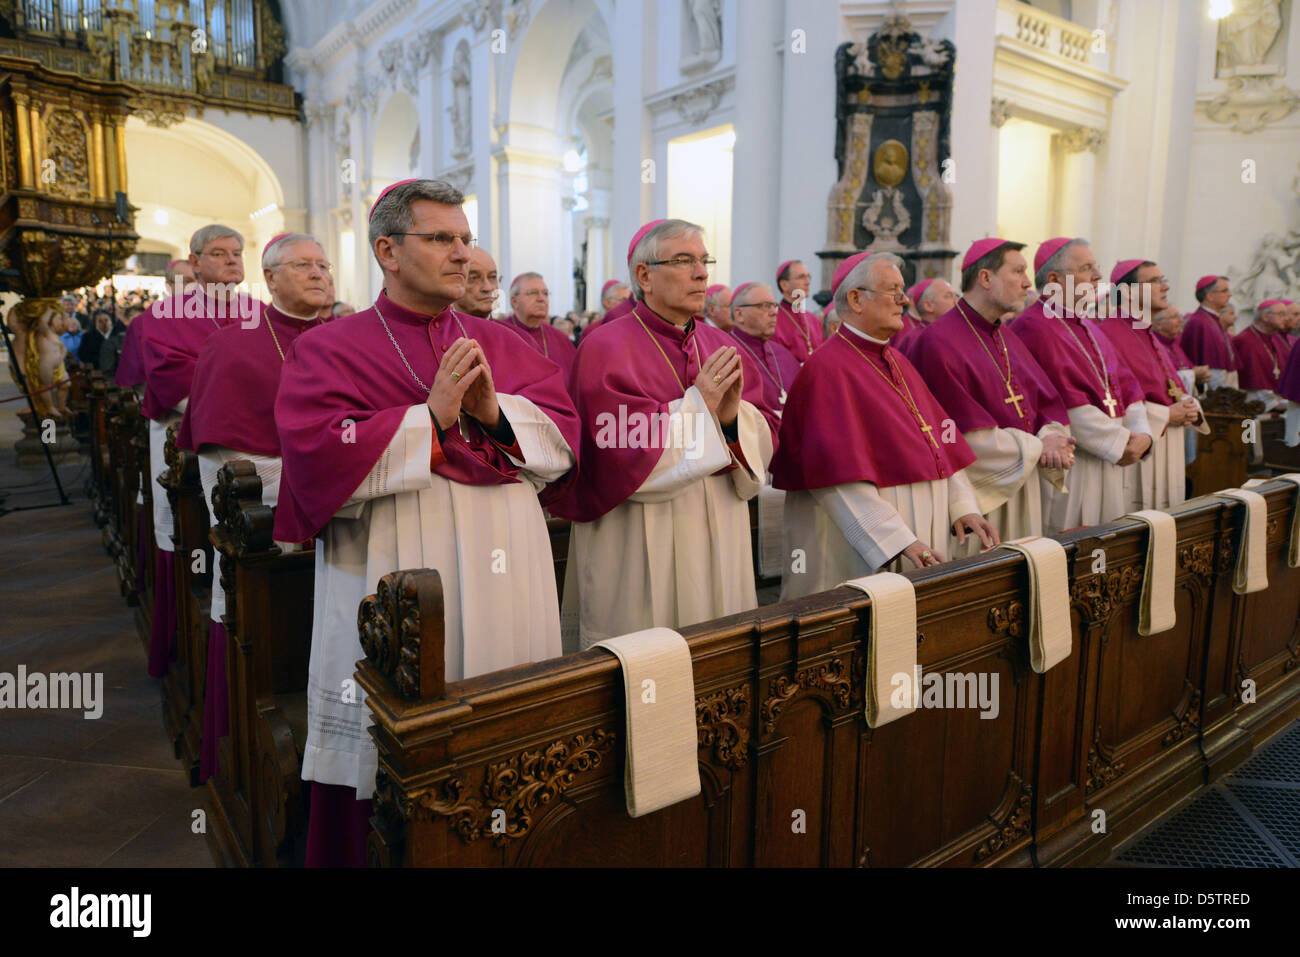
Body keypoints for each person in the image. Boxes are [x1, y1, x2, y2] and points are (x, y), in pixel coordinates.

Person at [272, 179, 579, 867]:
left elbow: (562, 440)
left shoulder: (499, 340)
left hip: (511, 564)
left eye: (465, 238)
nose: (463, 254)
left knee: (508, 729)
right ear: (388, 249)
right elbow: (317, 456)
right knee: (398, 748)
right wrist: (429, 418)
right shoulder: (331, 347)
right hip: (395, 568)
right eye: (442, 238)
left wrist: (495, 414)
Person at [554, 218, 775, 648]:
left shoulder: (720, 343)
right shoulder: (605, 346)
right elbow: (613, 448)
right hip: (638, 531)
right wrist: (700, 405)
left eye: (703, 261)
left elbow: (763, 431)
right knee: (645, 659)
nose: (702, 273)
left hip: (721, 522)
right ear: (644, 276)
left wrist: (731, 420)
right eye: (684, 261)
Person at [177, 232, 333, 783]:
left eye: (324, 264)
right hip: (269, 540)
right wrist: (325, 482)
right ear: (269, 277)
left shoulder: (345, 340)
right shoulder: (233, 345)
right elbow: (225, 470)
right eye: (303, 265)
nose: (319, 273)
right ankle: (243, 765)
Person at [773, 251, 996, 598]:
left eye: (903, 290)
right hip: (863, 550)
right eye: (893, 291)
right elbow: (835, 481)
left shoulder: (899, 363)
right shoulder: (826, 371)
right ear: (856, 298)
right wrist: (899, 541)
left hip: (921, 539)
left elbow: (941, 444)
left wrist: (961, 506)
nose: (904, 300)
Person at [140, 225, 259, 680]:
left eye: (237, 252)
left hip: (257, 444)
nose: (231, 261)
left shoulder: (258, 312)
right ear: (194, 263)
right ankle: (184, 644)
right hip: (188, 444)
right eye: (218, 253)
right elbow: (170, 377)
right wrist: (241, 407)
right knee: (190, 535)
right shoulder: (166, 313)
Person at [906, 239, 1074, 556]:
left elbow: (1046, 404)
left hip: (1024, 485)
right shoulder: (938, 342)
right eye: (1018, 271)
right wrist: (1040, 446)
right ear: (985, 278)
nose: (1027, 282)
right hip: (976, 499)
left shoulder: (1006, 336)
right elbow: (955, 438)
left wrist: (1054, 434)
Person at [1012, 238, 1152, 534]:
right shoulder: (1033, 327)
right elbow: (1061, 404)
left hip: (1113, 456)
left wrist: (1142, 435)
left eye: (1095, 267)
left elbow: (1127, 388)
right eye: (1087, 268)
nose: (1098, 276)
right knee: (1074, 547)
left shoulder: (1088, 326)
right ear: (1054, 280)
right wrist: (1121, 443)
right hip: (1074, 464)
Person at [1102, 260, 1207, 510]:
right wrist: (1166, 413)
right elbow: (1109, 399)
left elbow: (1170, 385)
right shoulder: (1107, 332)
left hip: (1169, 442)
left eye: (1163, 280)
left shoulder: (1146, 330)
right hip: (1140, 448)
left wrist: (1189, 405)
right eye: (1154, 281)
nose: (1165, 287)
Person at [727, 282, 800, 418]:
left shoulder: (784, 355)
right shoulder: (725, 353)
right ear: (739, 314)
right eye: (764, 306)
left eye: (774, 306)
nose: (773, 312)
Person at [504, 272, 577, 379]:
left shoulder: (561, 340)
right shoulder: (500, 334)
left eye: (545, 293)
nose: (541, 299)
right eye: (533, 293)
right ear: (514, 301)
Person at [1182, 275, 1238, 388]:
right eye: (1224, 291)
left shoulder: (1213, 320)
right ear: (1210, 296)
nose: (1230, 294)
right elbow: (1211, 368)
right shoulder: (1200, 322)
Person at [1234, 299, 1291, 410]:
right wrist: (1275, 404)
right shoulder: (1245, 340)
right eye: (1281, 314)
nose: (1286, 318)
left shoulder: (1273, 338)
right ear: (1265, 317)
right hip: (1253, 404)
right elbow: (1250, 382)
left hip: (1276, 400)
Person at [773, 259, 824, 363]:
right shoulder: (773, 319)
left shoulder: (813, 320)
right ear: (784, 285)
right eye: (801, 277)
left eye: (808, 277)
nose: (808, 282)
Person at [895, 278, 957, 358]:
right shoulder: (915, 339)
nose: (956, 302)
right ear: (928, 305)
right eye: (948, 296)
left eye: (955, 296)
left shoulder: (950, 333)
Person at [454, 246, 500, 318]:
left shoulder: (509, 329)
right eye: (474, 278)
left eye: (492, 277)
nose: (488, 288)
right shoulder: (437, 328)